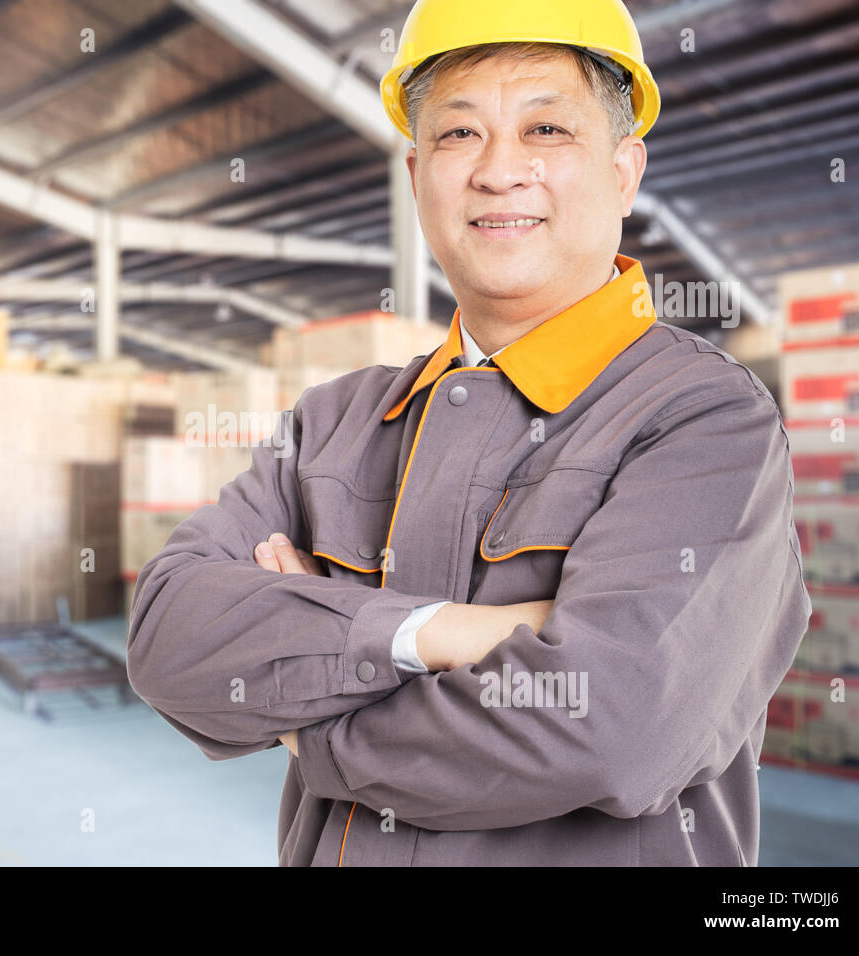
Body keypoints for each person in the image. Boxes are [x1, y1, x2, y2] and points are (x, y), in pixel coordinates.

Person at [126, 0, 811, 866]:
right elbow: (166, 640)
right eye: (459, 136)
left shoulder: (705, 422)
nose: (499, 171)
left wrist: (310, 720)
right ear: (417, 174)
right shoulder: (333, 422)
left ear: (624, 171)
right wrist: (438, 633)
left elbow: (616, 727)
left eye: (547, 128)